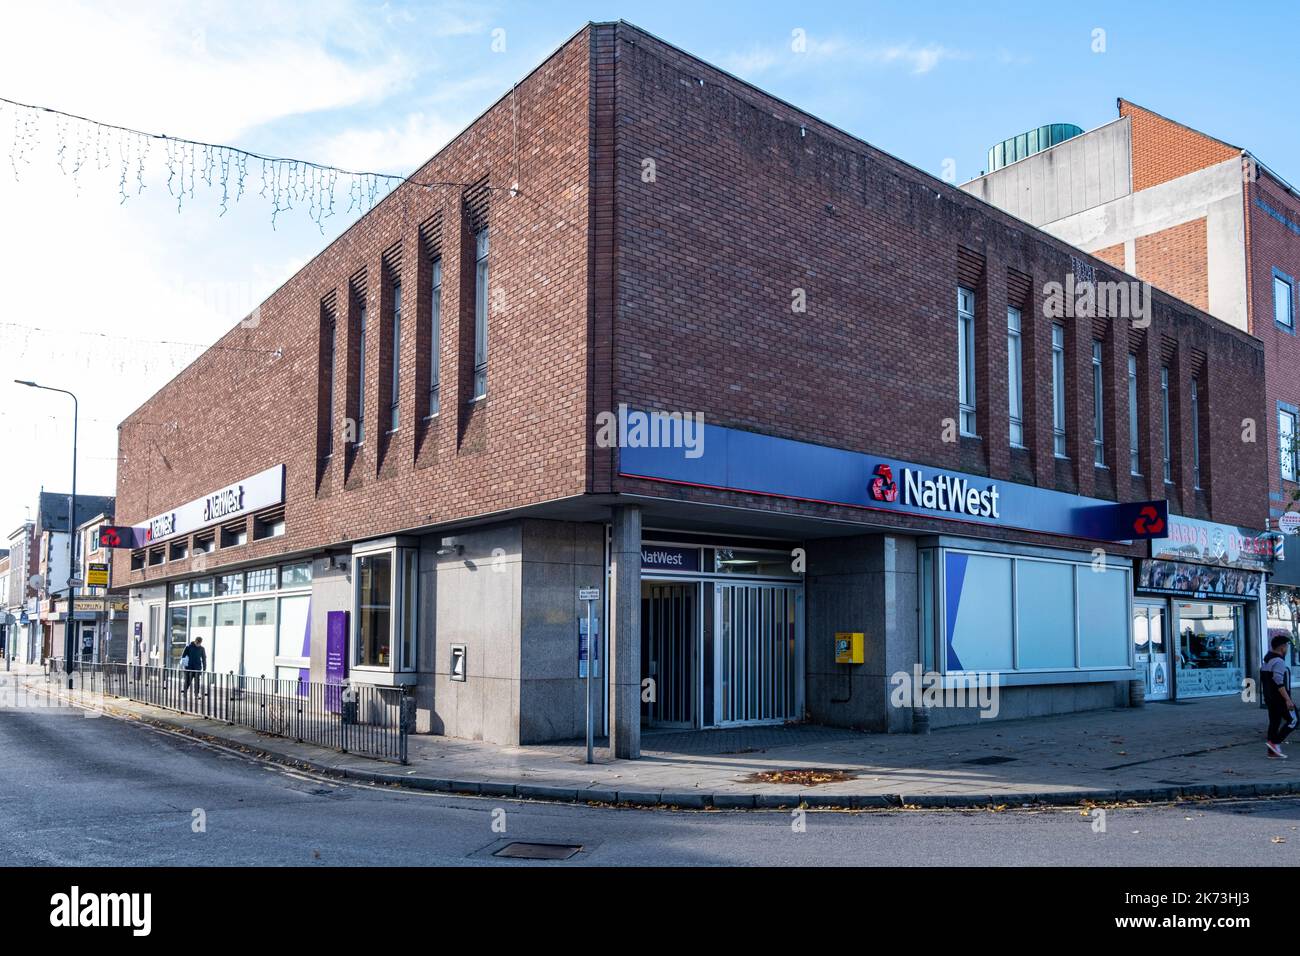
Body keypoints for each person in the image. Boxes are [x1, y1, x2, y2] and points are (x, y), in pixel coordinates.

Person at [1262, 634, 1296, 759]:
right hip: (1280, 698)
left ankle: (1272, 752)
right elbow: (1278, 682)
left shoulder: (1267, 660)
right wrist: (1288, 700)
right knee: (1294, 720)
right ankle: (1275, 743)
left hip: (1269, 698)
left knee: (1274, 722)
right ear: (1282, 647)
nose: (1287, 649)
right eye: (1286, 646)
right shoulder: (1279, 661)